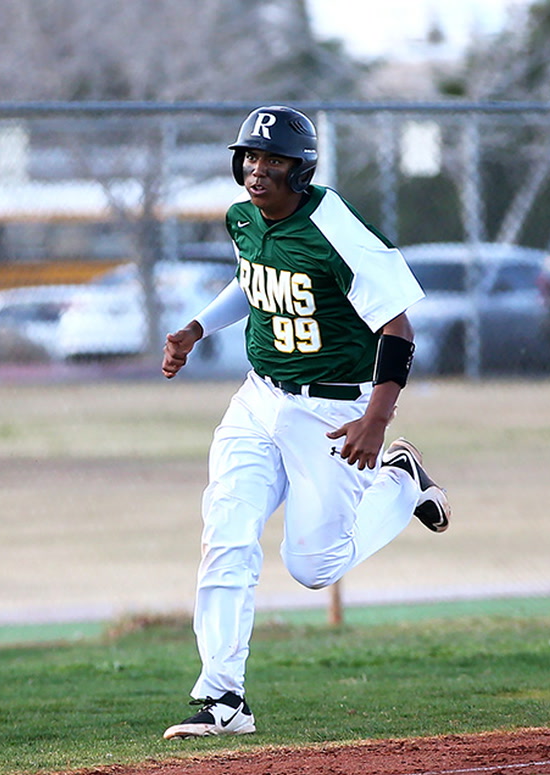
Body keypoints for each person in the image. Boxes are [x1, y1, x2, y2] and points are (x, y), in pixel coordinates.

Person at [160, 106, 451, 740]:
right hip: (258, 399)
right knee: (226, 533)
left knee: (313, 566)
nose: (258, 171)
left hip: (334, 409)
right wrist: (196, 327)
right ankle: (221, 698)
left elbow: (397, 327)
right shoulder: (243, 217)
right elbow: (253, 280)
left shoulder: (334, 225)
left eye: (274, 161)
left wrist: (377, 419)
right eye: (251, 158)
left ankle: (402, 481)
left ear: (302, 169)